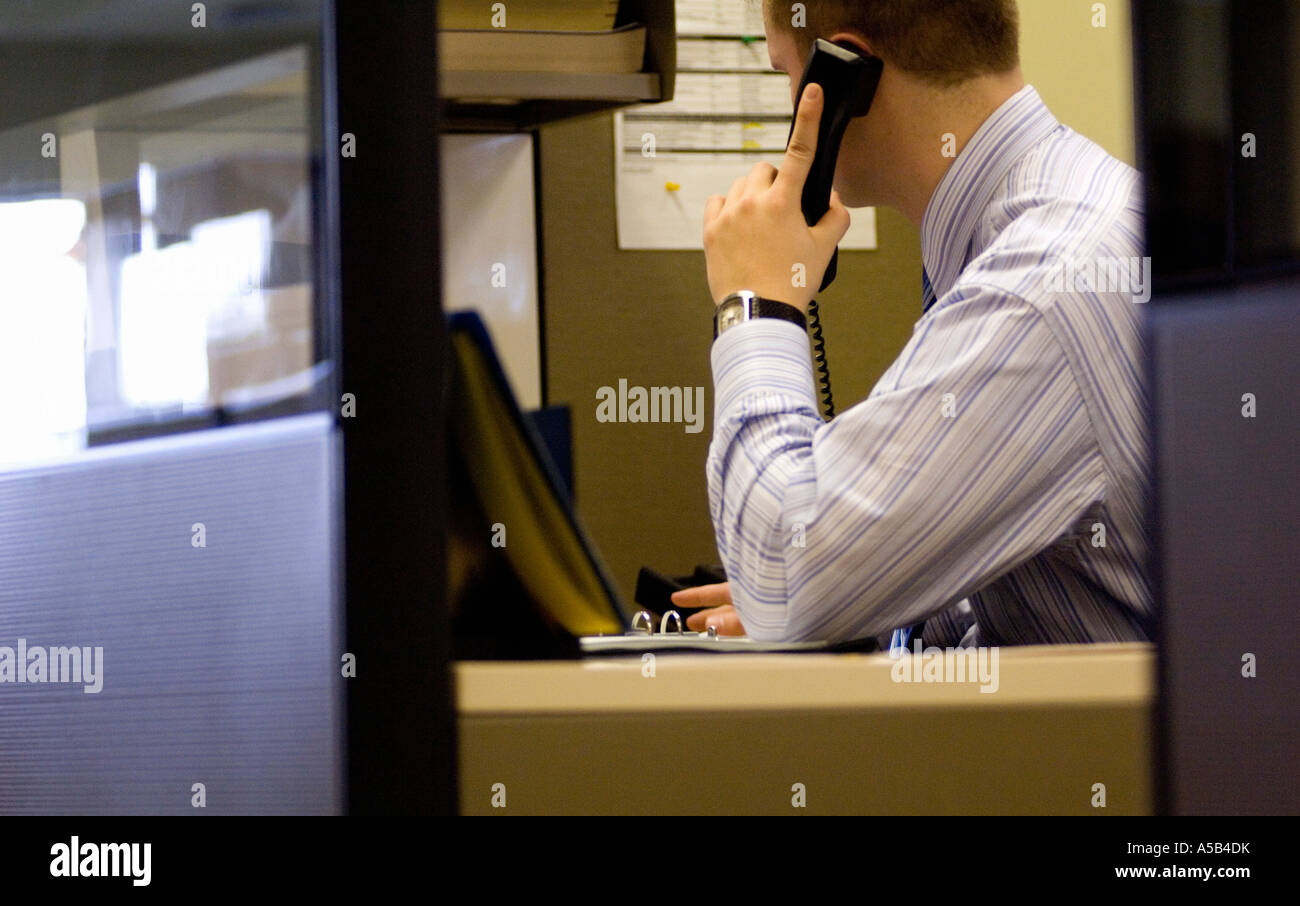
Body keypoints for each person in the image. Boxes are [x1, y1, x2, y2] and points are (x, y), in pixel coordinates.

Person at [674, 0, 1151, 647]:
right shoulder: (1059, 221)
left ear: (844, 78)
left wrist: (756, 306)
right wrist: (869, 603)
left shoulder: (1040, 287)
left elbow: (780, 570)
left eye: (787, 74)